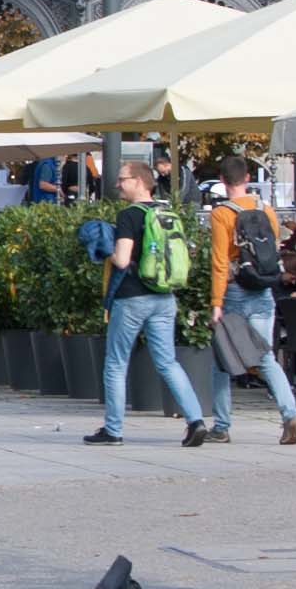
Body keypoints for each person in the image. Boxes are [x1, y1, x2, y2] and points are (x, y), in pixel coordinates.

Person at [86, 161, 208, 447]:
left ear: (140, 181)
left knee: (116, 363)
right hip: (165, 296)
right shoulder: (167, 211)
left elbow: (123, 259)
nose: (118, 184)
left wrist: (105, 246)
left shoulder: (129, 215)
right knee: (167, 361)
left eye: (122, 179)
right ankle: (196, 420)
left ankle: (113, 430)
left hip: (132, 297)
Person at [207, 155, 296, 445]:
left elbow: (220, 262)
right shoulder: (266, 209)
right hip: (262, 290)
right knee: (265, 357)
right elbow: (271, 250)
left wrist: (216, 302)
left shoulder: (222, 214)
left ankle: (222, 425)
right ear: (247, 178)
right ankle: (290, 414)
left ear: (222, 181)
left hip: (234, 291)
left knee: (222, 360)